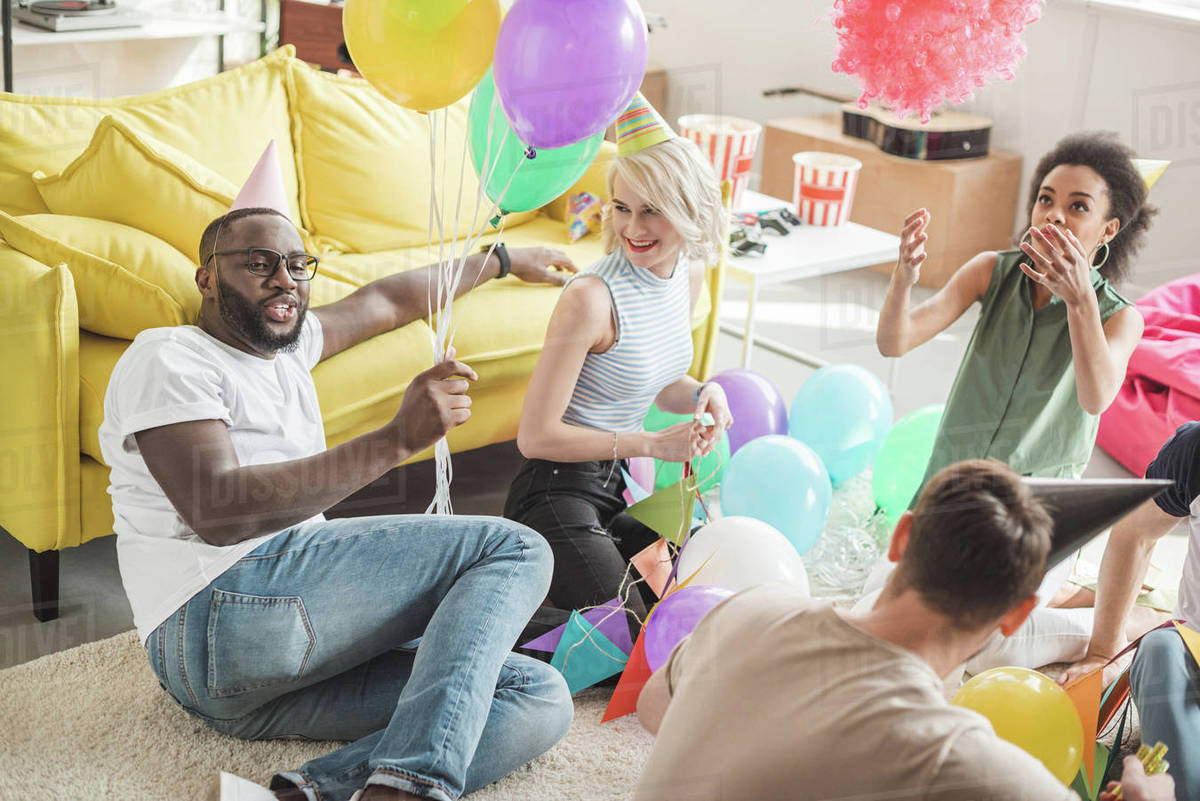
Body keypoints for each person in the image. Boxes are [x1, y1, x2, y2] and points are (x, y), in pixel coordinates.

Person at [98, 195, 582, 801]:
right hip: (216, 611)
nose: (285, 281)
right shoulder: (168, 355)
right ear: (207, 278)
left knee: (535, 694)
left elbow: (387, 300)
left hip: (241, 694)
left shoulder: (290, 352)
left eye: (299, 266)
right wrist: (397, 439)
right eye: (259, 263)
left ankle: (316, 793)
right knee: (514, 549)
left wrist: (502, 258)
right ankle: (410, 787)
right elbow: (219, 512)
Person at [633, 459, 1175, 801]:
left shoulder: (753, 607)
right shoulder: (960, 761)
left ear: (900, 539)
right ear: (1017, 613)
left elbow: (652, 710)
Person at [868, 131, 1158, 672]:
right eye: (1045, 199)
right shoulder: (989, 271)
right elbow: (896, 340)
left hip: (1034, 521)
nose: (1053, 215)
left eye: (1077, 206)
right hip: (949, 496)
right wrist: (904, 278)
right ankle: (1069, 592)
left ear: (1108, 230)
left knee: (981, 647)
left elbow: (1096, 397)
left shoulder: (1120, 316)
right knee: (879, 612)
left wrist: (1078, 303)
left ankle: (1118, 621)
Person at [503, 95, 731, 643]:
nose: (633, 228)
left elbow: (657, 382)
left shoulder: (687, 276)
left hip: (616, 492)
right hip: (556, 493)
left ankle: (581, 571)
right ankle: (470, 614)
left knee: (699, 575)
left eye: (651, 209)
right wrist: (651, 446)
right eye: (622, 207)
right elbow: (535, 438)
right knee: (624, 635)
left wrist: (705, 392)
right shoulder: (590, 298)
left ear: (690, 209)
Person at [1061, 422, 1200, 801]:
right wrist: (1103, 652)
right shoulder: (1194, 449)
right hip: (1189, 650)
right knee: (1159, 649)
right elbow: (1134, 535)